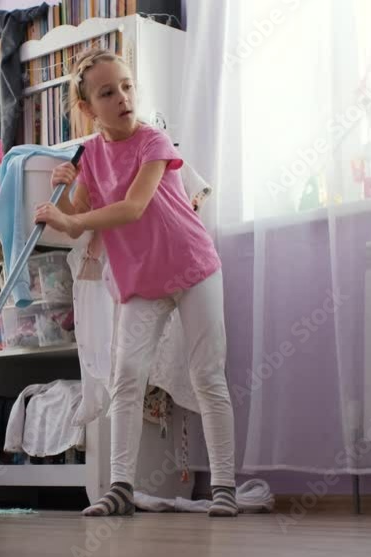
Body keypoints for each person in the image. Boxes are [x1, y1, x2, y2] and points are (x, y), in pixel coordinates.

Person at [34, 49, 237, 517]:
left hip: (193, 267)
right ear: (88, 108)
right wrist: (66, 188)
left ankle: (224, 486)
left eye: (127, 86)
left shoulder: (153, 141)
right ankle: (121, 486)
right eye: (108, 92)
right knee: (127, 379)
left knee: (207, 375)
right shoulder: (88, 157)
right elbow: (79, 220)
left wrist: (71, 219)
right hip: (142, 281)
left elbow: (132, 207)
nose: (123, 98)